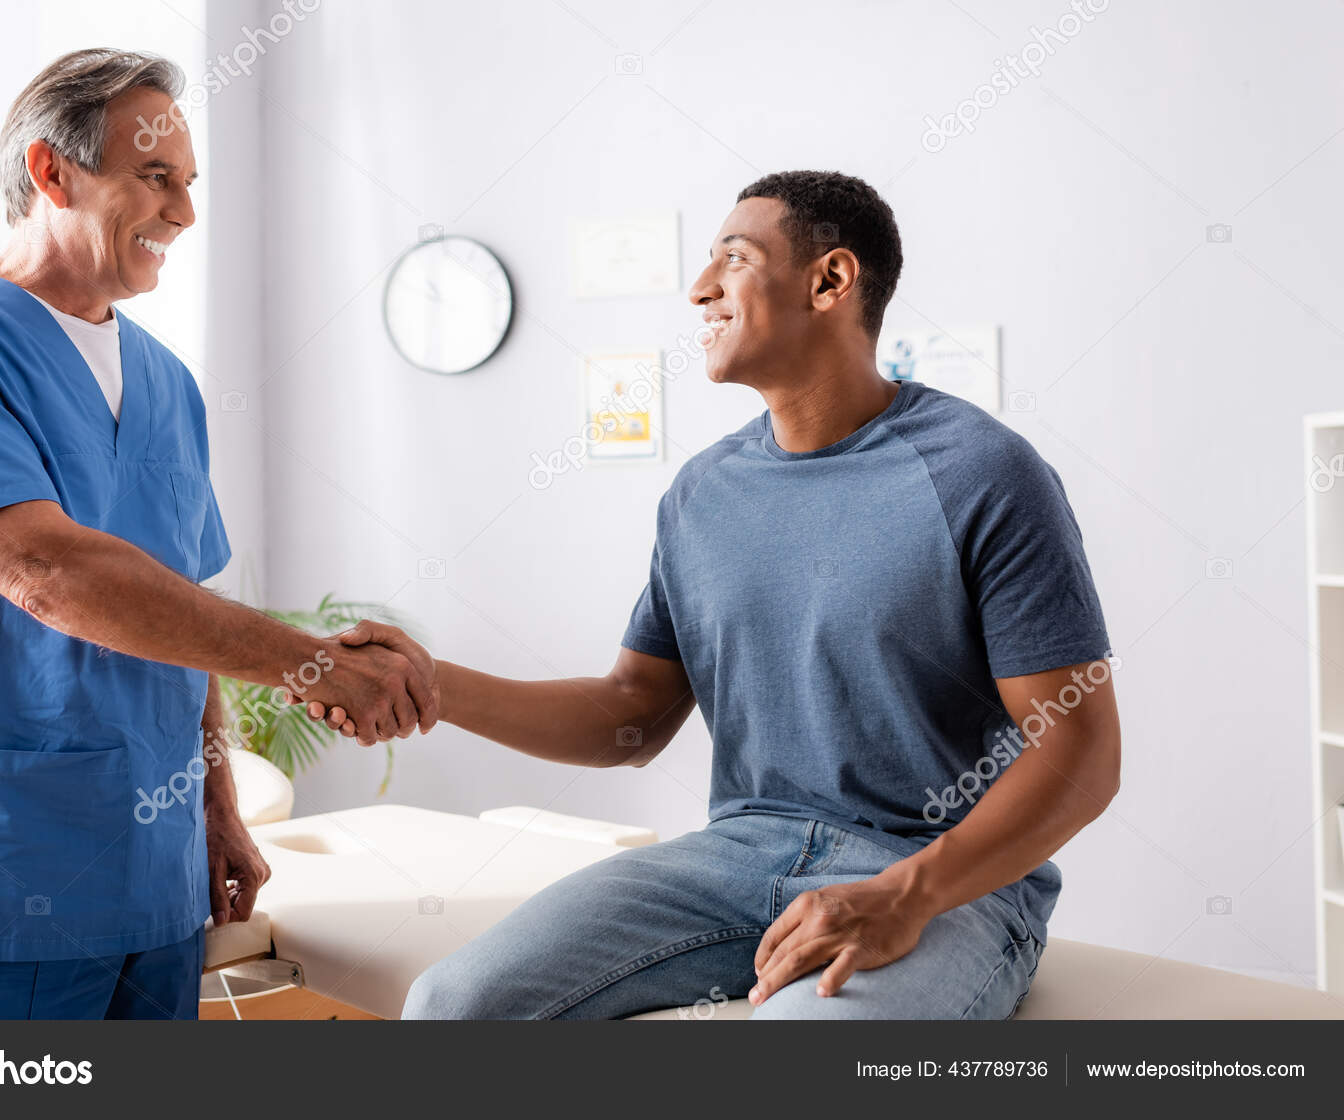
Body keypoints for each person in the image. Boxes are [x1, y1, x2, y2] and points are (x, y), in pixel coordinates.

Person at [349, 171, 1121, 1020]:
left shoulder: (982, 472)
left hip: (947, 884)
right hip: (735, 860)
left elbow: (1078, 756)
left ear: (829, 282)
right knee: (450, 1005)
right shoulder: (702, 494)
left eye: (733, 260)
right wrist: (436, 686)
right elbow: (628, 714)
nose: (699, 289)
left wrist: (907, 891)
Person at [0, 49, 435, 1021]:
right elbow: (45, 569)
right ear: (50, 171)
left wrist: (216, 804)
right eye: (155, 177)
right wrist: (309, 662)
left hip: (154, 882)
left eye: (189, 185)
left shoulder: (168, 384)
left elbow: (181, 611)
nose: (184, 213)